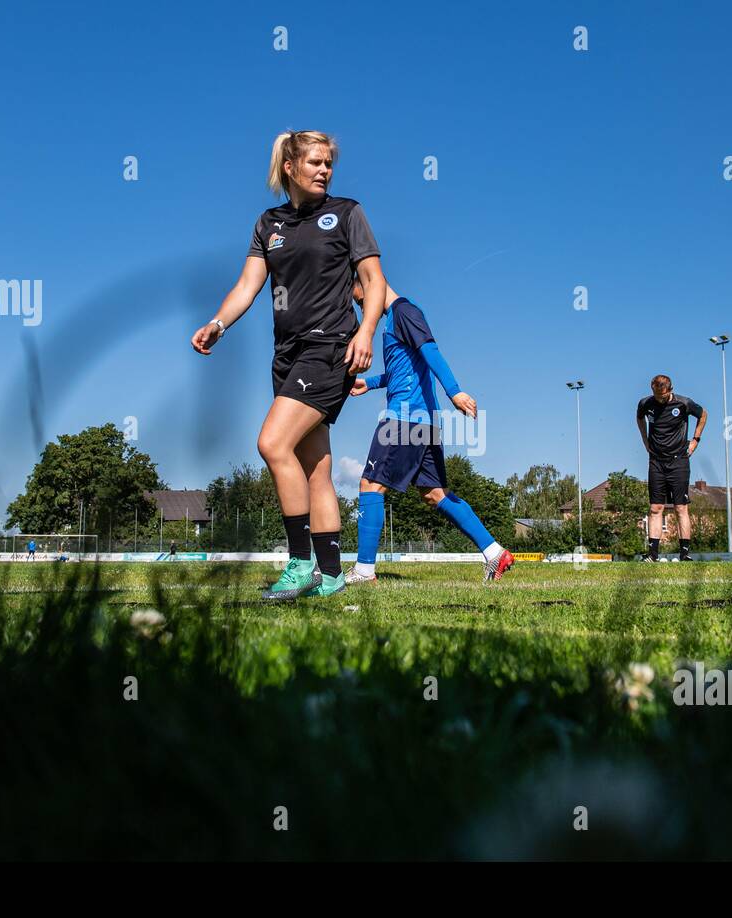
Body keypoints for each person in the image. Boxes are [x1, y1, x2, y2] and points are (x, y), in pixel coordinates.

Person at [191, 129, 387, 601]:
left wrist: (365, 332)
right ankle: (333, 576)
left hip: (331, 347)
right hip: (286, 355)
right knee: (315, 466)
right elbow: (247, 286)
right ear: (289, 167)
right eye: (316, 162)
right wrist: (218, 323)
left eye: (329, 163)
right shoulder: (269, 223)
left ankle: (300, 564)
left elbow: (374, 280)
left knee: (272, 443)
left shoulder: (347, 213)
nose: (325, 170)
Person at [345, 281, 513, 583]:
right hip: (424, 422)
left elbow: (430, 350)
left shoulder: (404, 312)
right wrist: (369, 383)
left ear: (370, 284)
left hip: (405, 418)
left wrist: (454, 391)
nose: (362, 308)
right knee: (435, 494)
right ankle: (494, 552)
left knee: (370, 484)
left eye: (360, 301)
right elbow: (402, 369)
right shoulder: (396, 318)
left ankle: (364, 571)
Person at [636, 374, 707, 561]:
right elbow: (639, 418)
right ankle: (652, 555)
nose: (659, 399)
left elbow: (703, 414)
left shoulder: (683, 403)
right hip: (656, 461)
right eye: (656, 395)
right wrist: (645, 440)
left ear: (670, 390)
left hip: (679, 461)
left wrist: (695, 440)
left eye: (663, 396)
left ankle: (685, 554)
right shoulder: (645, 403)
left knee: (680, 508)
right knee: (655, 508)